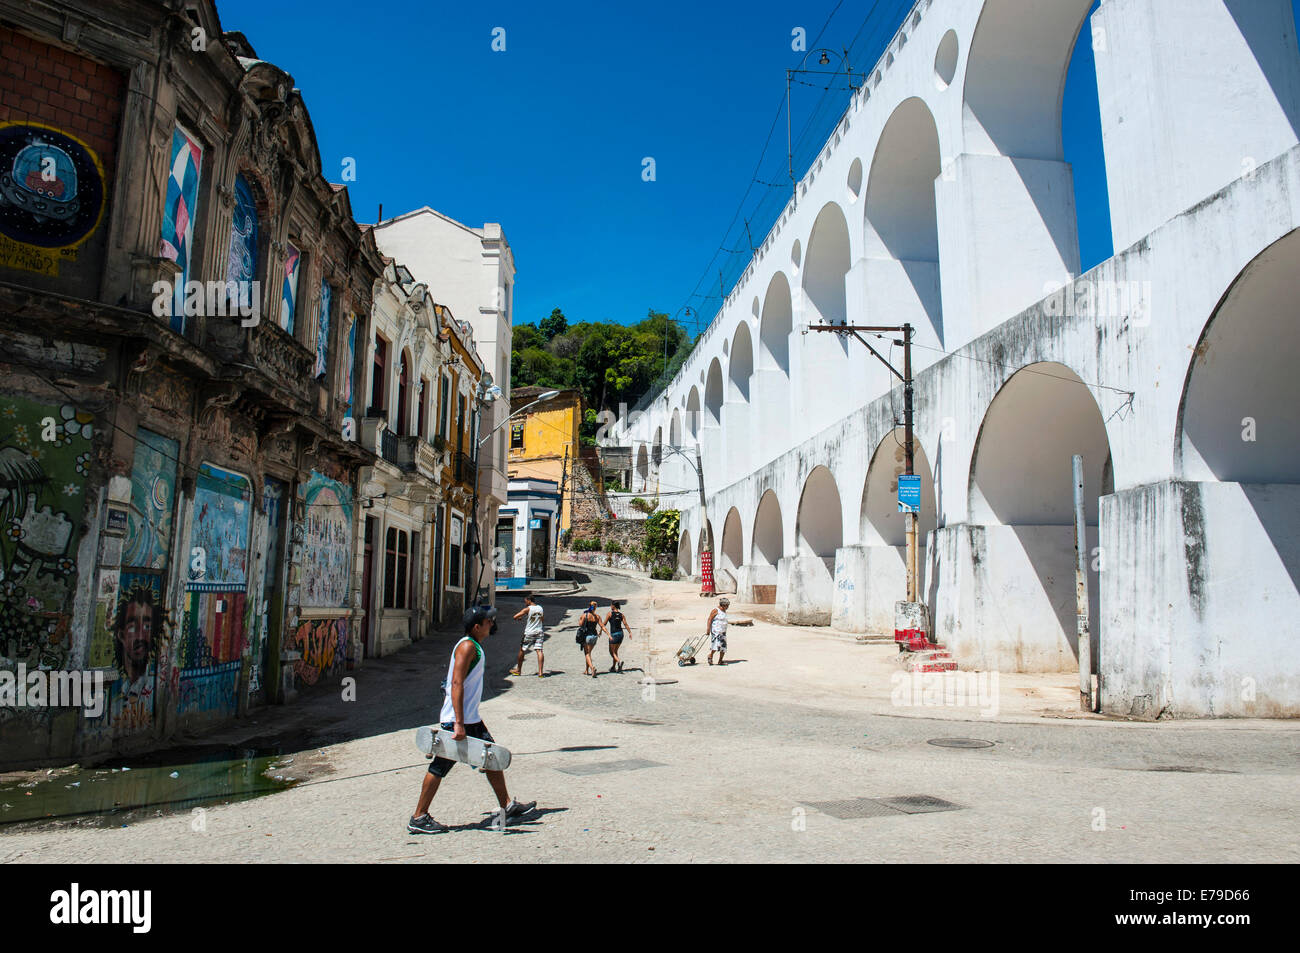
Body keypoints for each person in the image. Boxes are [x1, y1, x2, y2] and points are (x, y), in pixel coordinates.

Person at [408, 605, 535, 834]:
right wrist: (457, 722)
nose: (492, 624)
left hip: (470, 718)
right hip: (459, 720)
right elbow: (456, 683)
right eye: (488, 622)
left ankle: (507, 805)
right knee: (440, 766)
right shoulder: (467, 647)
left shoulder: (473, 645)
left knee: (492, 756)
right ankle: (419, 816)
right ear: (477, 627)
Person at [509, 593, 547, 677]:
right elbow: (542, 619)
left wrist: (520, 617)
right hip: (539, 631)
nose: (525, 602)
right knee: (539, 650)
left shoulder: (527, 609)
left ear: (529, 600)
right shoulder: (540, 608)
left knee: (522, 650)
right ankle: (540, 672)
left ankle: (518, 670)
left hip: (529, 632)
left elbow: (515, 616)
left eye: (526, 601)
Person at [576, 600, 607, 678]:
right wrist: (608, 634)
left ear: (589, 606)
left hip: (587, 636)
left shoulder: (585, 615)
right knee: (589, 654)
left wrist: (580, 619)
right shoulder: (597, 616)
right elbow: (602, 626)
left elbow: (580, 624)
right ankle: (587, 670)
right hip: (595, 636)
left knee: (586, 654)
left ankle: (592, 668)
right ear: (595, 608)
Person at [605, 600, 630, 673]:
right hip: (621, 634)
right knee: (615, 651)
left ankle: (619, 661)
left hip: (614, 634)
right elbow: (625, 624)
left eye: (611, 605)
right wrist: (630, 632)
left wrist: (600, 631)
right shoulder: (621, 615)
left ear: (613, 606)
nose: (610, 606)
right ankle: (613, 667)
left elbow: (604, 623)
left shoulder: (609, 614)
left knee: (611, 652)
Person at [706, 597, 729, 666]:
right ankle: (710, 655)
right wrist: (708, 629)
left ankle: (720, 661)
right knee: (716, 646)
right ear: (723, 605)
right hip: (716, 632)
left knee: (723, 647)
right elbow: (709, 619)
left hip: (723, 632)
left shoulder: (724, 610)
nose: (727, 607)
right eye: (727, 606)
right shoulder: (715, 610)